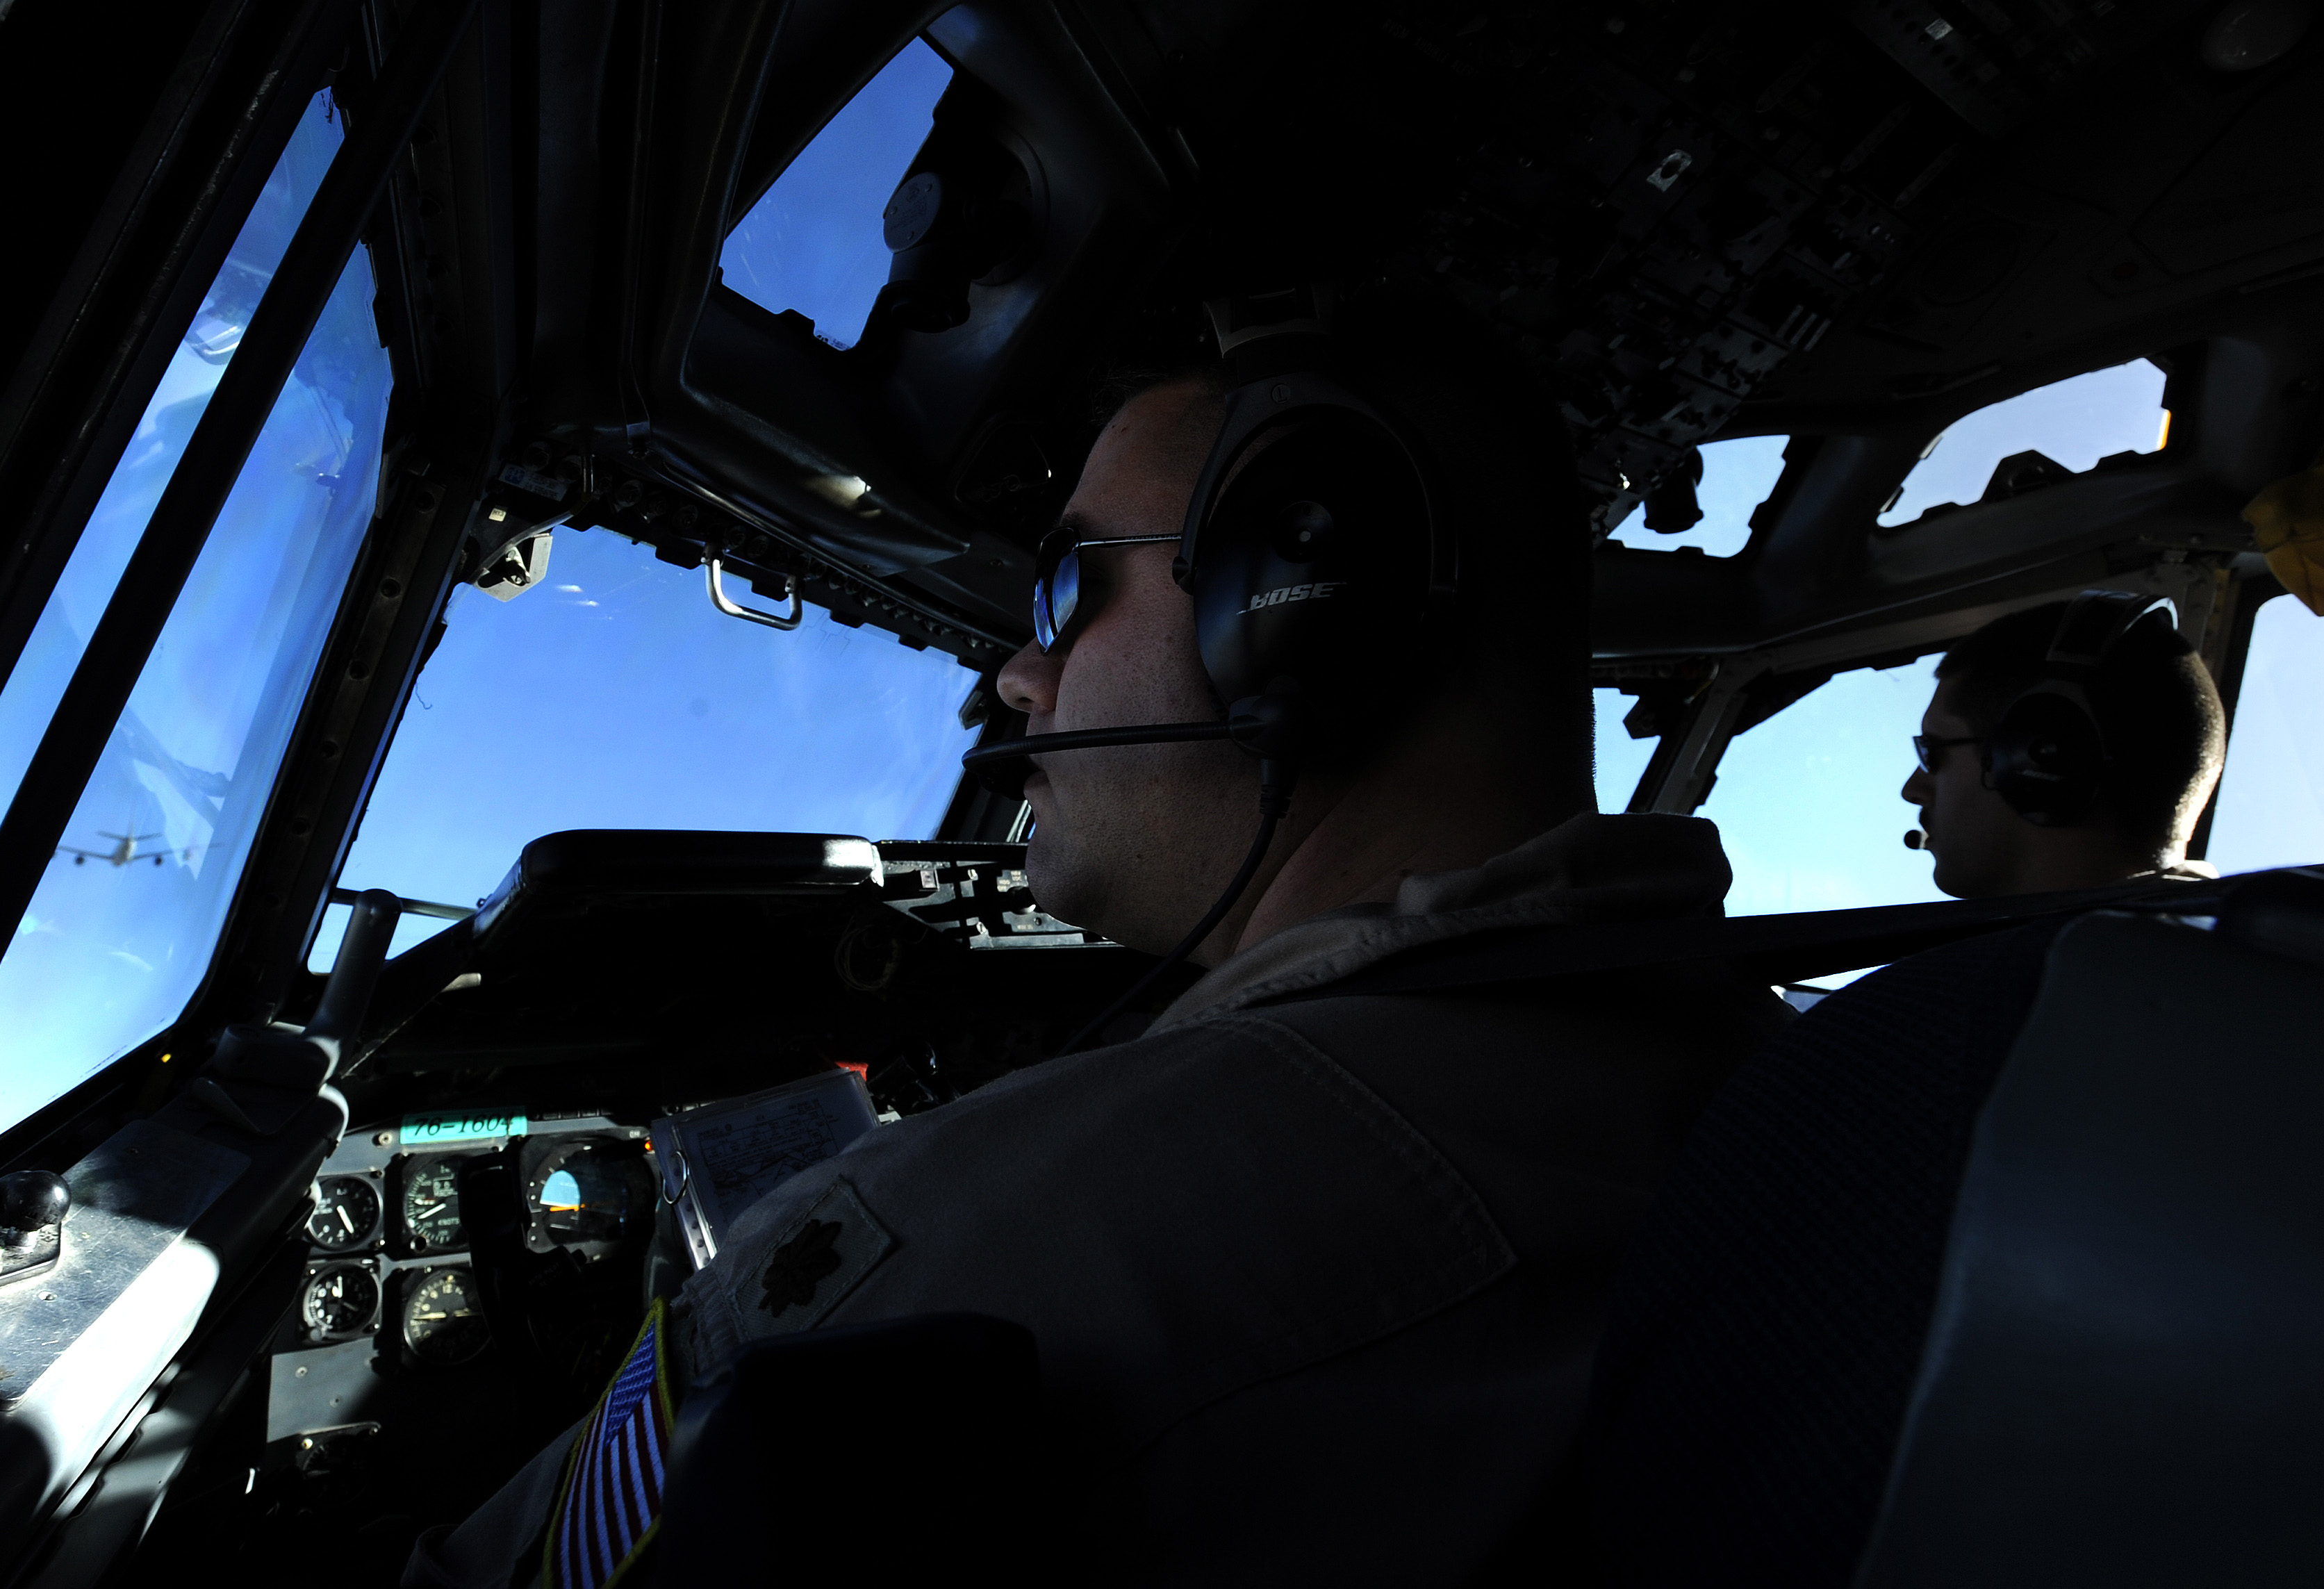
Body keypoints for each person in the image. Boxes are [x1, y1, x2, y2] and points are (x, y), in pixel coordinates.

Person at [407, 286, 1787, 1586]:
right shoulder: (1743, 1073)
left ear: (1304, 590)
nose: (1015, 675)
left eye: (1067, 586)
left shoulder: (1027, 1232)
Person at [1588, 598, 2230, 1588]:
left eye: (1934, 751)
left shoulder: (1908, 1046)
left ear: (2040, 757)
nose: (1911, 783)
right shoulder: (2239, 1007)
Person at [1904, 599, 2225, 898]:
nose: (1911, 790)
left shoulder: (2081, 937)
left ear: (2038, 756)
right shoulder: (2205, 928)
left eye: (1931, 751)